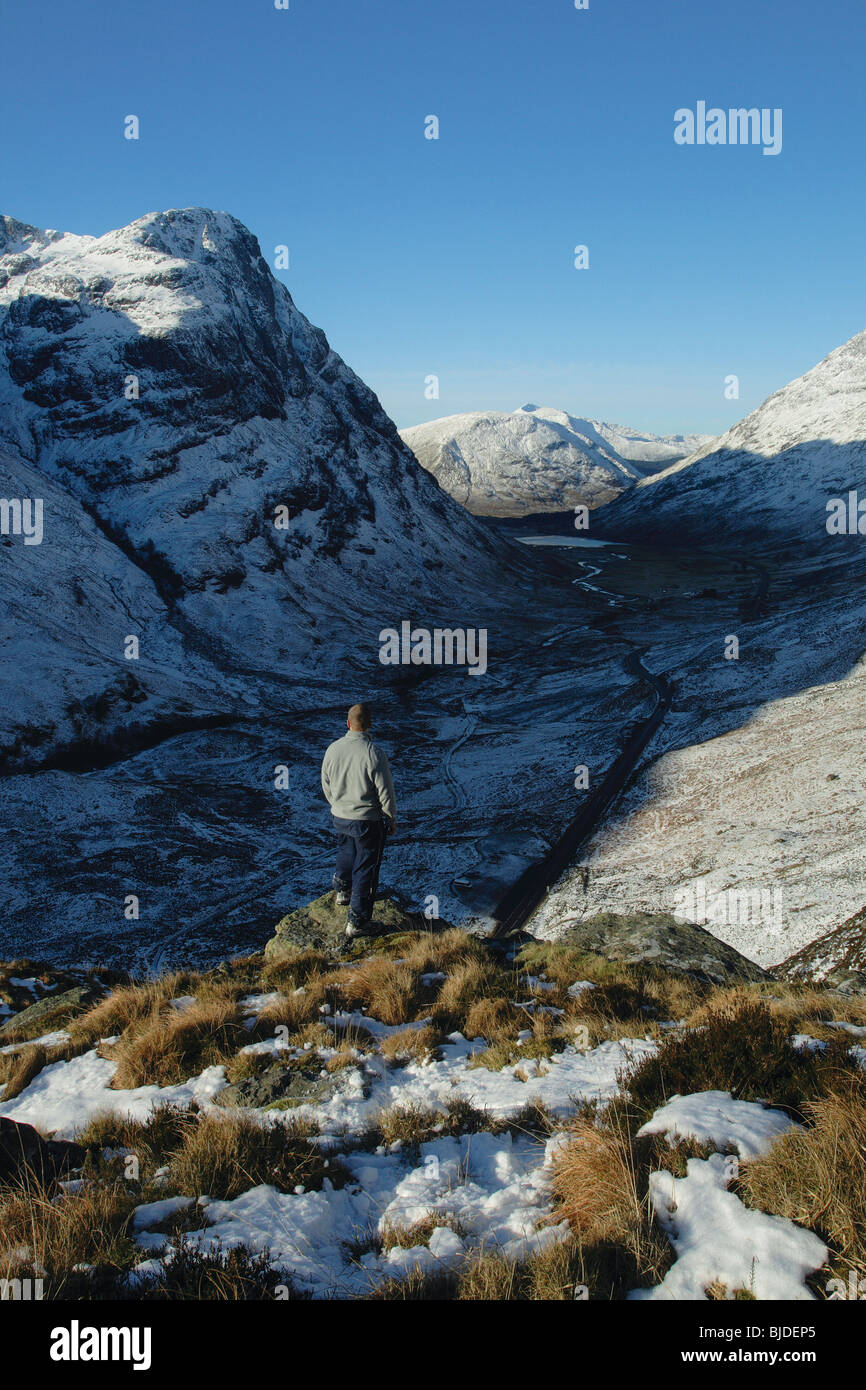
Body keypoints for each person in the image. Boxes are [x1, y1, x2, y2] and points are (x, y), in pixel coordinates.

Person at [321, 703, 397, 938]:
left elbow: (326, 781)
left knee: (346, 851)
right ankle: (358, 921)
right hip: (367, 820)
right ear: (370, 724)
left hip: (340, 815)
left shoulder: (333, 749)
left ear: (348, 724)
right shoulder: (374, 753)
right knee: (366, 867)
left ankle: (342, 890)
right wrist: (390, 817)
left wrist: (336, 803)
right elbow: (386, 791)